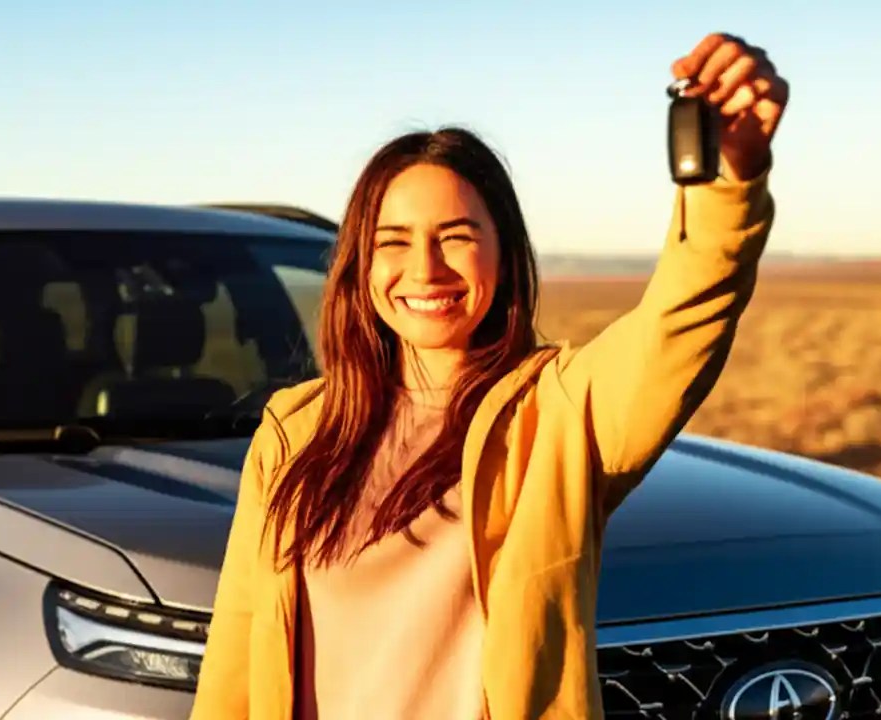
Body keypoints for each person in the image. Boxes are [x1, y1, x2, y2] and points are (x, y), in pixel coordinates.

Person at [192, 31, 788, 720]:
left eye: (457, 236)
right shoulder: (295, 435)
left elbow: (685, 317)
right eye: (394, 242)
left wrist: (731, 179)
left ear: (504, 254)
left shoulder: (559, 414)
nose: (425, 270)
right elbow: (234, 668)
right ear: (359, 264)